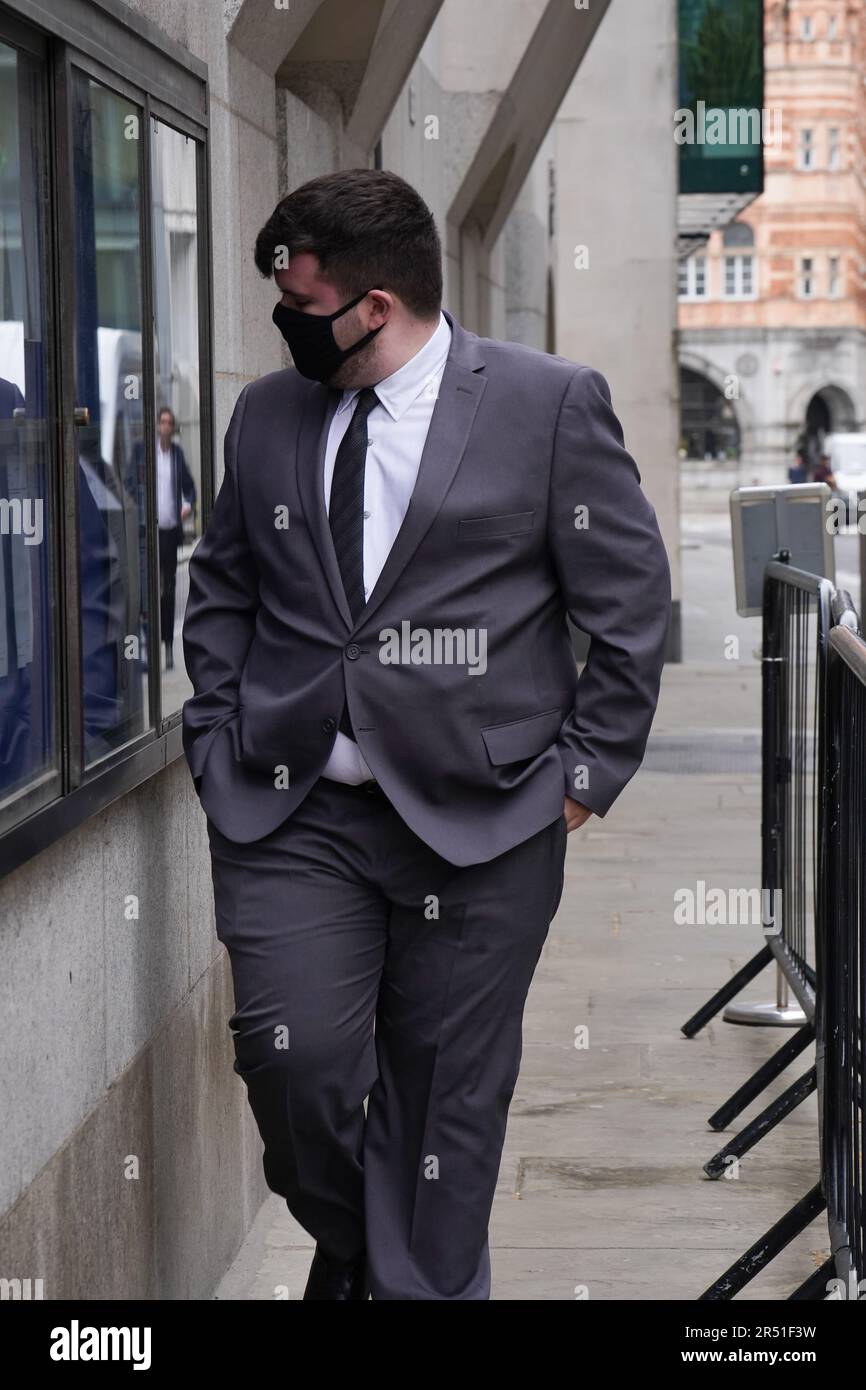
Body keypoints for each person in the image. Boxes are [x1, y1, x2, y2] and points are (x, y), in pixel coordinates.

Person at [181, 169, 671, 1301]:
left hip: (487, 817)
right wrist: (215, 732)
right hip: (293, 809)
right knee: (291, 1064)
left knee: (446, 1102)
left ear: (378, 307)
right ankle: (366, 1252)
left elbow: (627, 597)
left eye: (298, 307)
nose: (282, 326)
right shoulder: (267, 415)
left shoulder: (546, 404)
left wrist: (582, 774)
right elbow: (223, 586)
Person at [134, 407, 196, 671]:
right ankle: (149, 647)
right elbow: (129, 484)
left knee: (168, 590)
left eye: (170, 422)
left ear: (173, 427)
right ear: (157, 426)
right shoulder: (142, 452)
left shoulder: (177, 455)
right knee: (148, 591)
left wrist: (188, 505)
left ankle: (168, 647)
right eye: (162, 422)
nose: (166, 427)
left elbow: (190, 488)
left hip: (170, 531)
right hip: (148, 532)